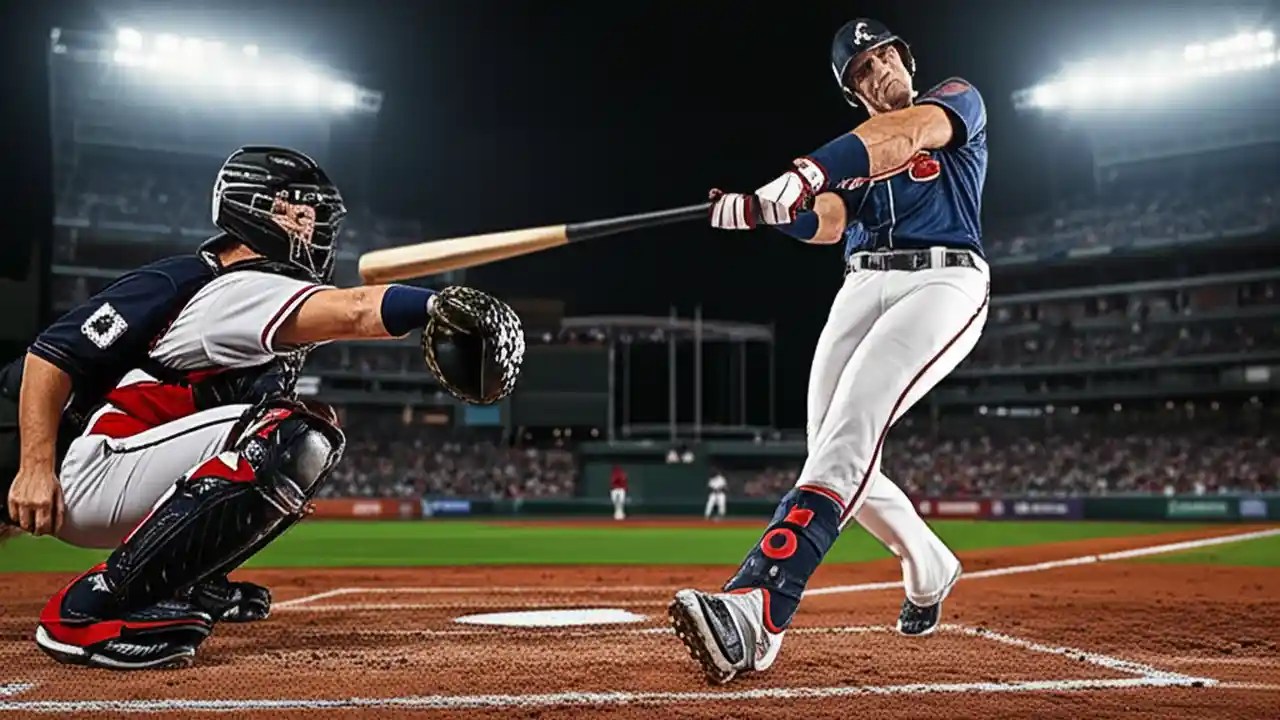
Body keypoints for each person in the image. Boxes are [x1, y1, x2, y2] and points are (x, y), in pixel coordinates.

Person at [0, 146, 524, 671]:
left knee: (305, 426)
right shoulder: (238, 287)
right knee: (292, 437)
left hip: (127, 472)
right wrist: (432, 303)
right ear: (261, 209)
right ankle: (92, 610)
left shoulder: (244, 289)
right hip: (100, 470)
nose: (316, 225)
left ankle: (188, 581)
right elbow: (357, 310)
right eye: (304, 209)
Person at [670, 18, 990, 684]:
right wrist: (769, 213)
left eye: (883, 58)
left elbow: (899, 138)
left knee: (851, 431)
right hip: (861, 281)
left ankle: (762, 605)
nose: (879, 74)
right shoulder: (856, 161)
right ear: (854, 90)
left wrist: (805, 171)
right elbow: (834, 222)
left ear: (905, 56)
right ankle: (928, 562)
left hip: (942, 278)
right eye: (862, 72)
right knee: (832, 447)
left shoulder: (954, 100)